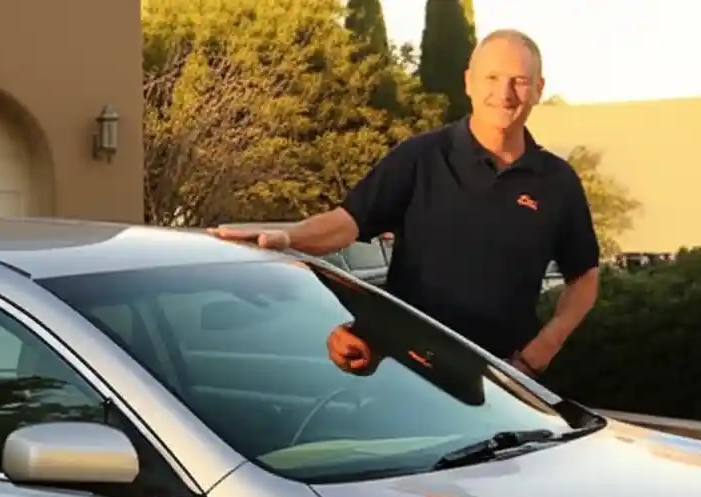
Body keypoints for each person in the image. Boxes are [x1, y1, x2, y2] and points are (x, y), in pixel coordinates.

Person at [209, 29, 600, 378]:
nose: (504, 93)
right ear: (468, 81)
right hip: (410, 378)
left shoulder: (557, 182)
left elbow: (584, 278)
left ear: (538, 88)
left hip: (506, 387)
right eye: (492, 78)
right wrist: (286, 236)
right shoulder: (421, 158)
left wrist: (543, 348)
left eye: (519, 81)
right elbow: (349, 222)